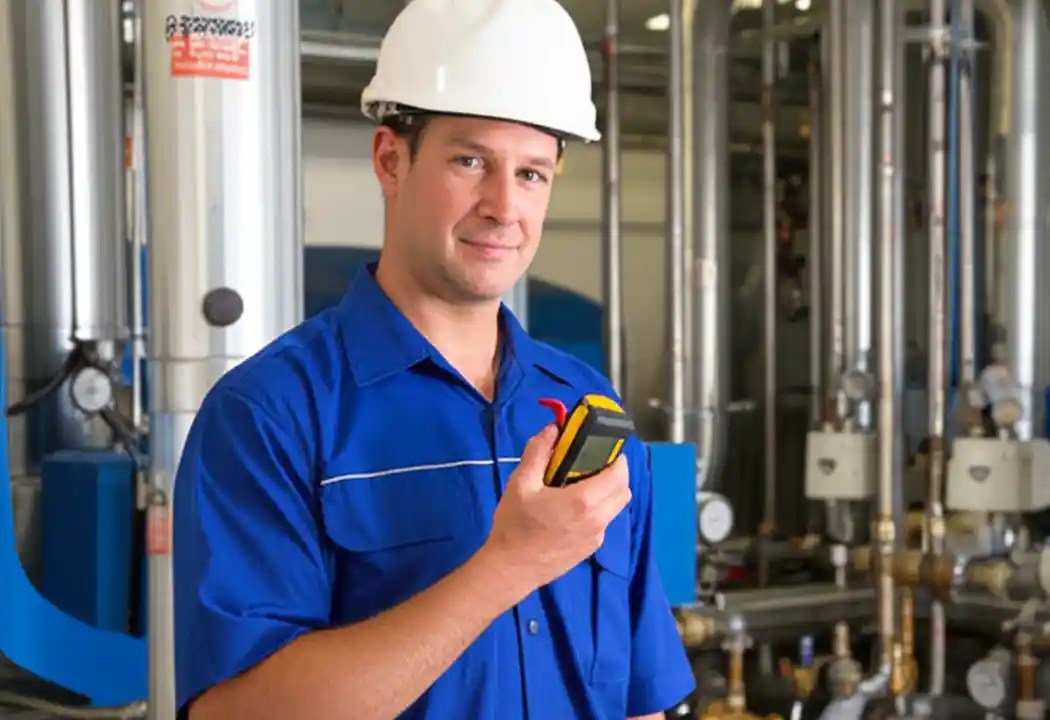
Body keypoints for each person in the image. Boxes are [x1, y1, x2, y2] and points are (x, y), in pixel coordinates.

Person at [171, 1, 696, 717]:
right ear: (391, 160)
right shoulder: (272, 415)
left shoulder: (584, 401)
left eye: (532, 174)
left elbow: (639, 697)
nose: (503, 206)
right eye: (470, 161)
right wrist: (507, 566)